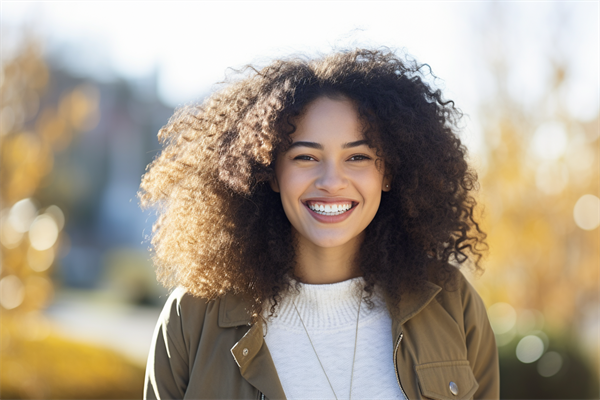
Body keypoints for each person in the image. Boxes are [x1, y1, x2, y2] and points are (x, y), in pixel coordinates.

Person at [139, 48, 499, 400]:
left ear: (388, 172)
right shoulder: (193, 315)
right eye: (306, 157)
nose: (331, 181)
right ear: (270, 172)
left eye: (357, 156)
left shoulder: (452, 302)